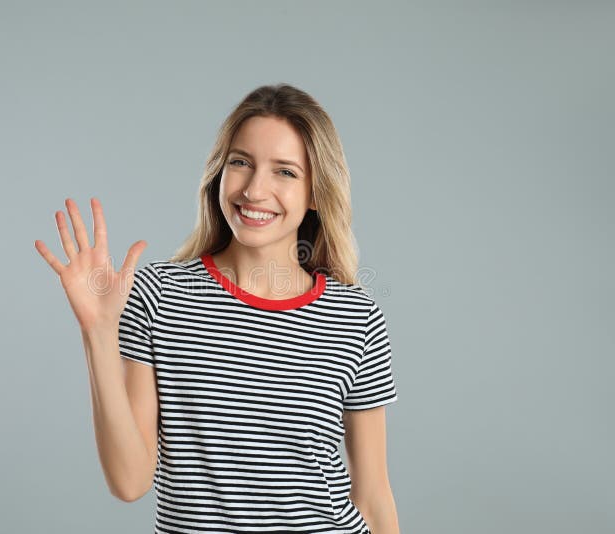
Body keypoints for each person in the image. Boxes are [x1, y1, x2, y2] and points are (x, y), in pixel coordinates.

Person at [35, 83, 400, 533]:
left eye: (285, 172)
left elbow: (374, 495)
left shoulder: (355, 315)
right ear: (218, 173)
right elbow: (129, 481)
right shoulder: (158, 295)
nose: (254, 189)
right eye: (240, 163)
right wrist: (97, 332)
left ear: (315, 194)